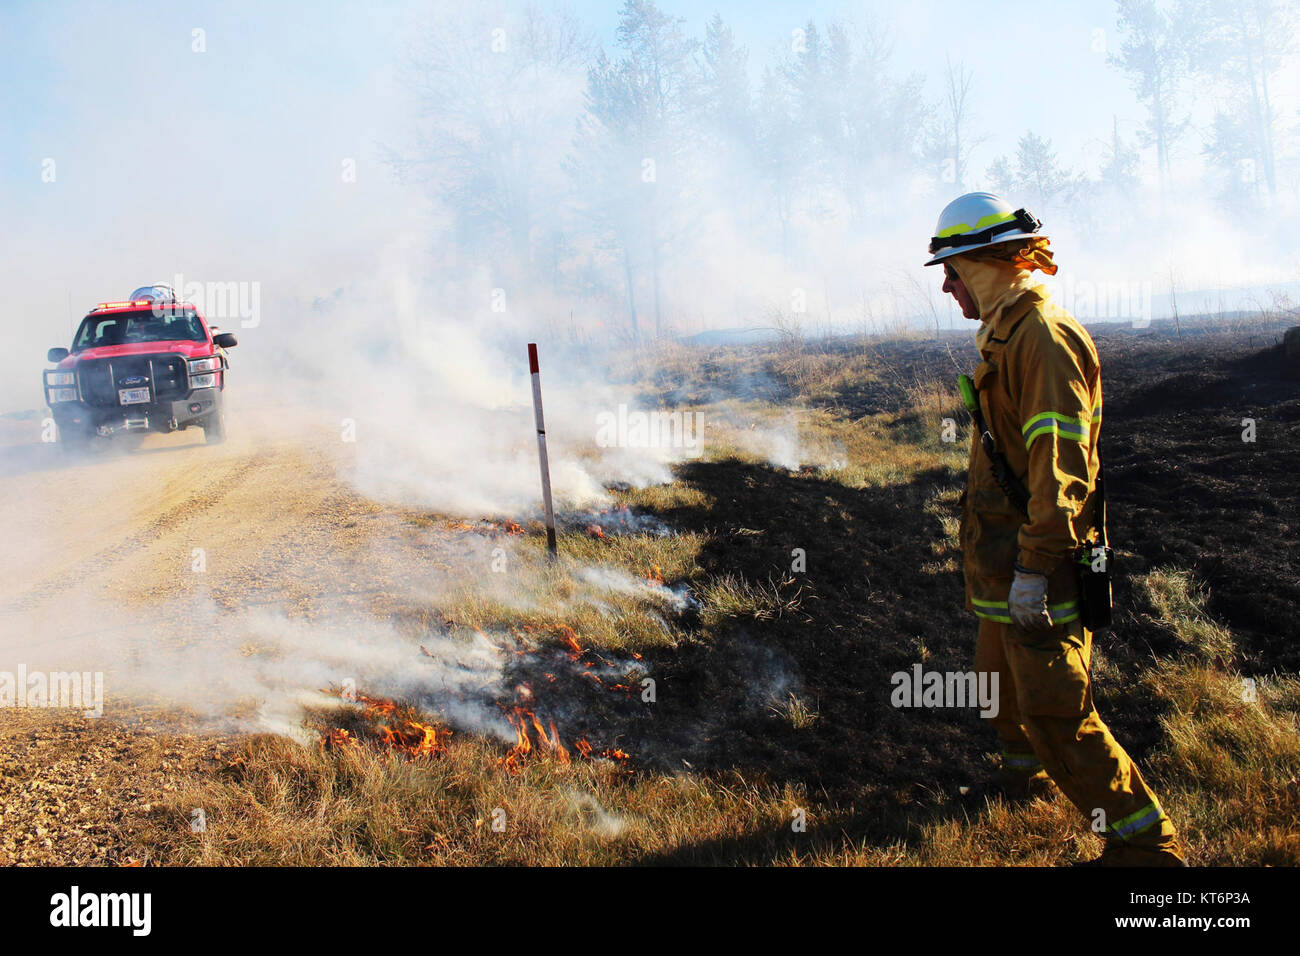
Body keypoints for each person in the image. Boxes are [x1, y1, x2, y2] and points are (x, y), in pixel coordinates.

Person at [925, 192, 1187, 867]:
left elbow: (1061, 467)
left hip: (1038, 565)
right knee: (998, 689)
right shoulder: (1006, 335)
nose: (949, 287)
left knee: (1056, 710)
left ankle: (1143, 846)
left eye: (953, 271)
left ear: (985, 264)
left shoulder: (1041, 339)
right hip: (1003, 562)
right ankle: (1025, 779)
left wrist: (1036, 569)